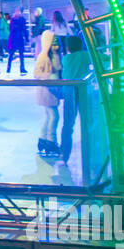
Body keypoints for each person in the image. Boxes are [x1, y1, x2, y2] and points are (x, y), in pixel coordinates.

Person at [56, 34, 92, 169]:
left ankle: (64, 154)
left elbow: (64, 74)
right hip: (84, 91)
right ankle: (91, 150)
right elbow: (104, 58)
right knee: (88, 122)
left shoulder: (66, 58)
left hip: (69, 92)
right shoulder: (85, 55)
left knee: (68, 124)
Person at [33, 30, 62, 159]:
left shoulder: (54, 55)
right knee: (54, 116)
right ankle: (51, 140)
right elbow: (36, 74)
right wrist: (50, 76)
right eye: (53, 41)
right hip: (47, 91)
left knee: (48, 116)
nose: (56, 44)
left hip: (52, 90)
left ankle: (43, 140)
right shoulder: (43, 57)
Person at [6, 9, 29, 75]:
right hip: (17, 38)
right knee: (16, 54)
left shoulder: (13, 19)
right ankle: (20, 68)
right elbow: (24, 29)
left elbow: (12, 28)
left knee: (14, 54)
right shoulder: (19, 19)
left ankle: (10, 68)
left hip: (15, 38)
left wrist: (26, 38)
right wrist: (26, 38)